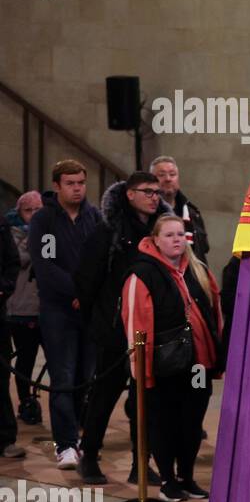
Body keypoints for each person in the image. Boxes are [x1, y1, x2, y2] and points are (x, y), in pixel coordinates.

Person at [74, 172, 169, 485]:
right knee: (104, 395)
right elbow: (88, 279)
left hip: (148, 329)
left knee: (144, 399)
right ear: (129, 194)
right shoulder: (110, 231)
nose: (154, 197)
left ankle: (140, 462)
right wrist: (99, 322)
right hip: (115, 329)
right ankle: (89, 454)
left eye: (157, 192)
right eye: (147, 191)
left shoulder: (160, 230)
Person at [120, 214, 222, 502]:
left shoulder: (198, 269)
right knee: (164, 422)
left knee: (192, 423)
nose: (176, 239)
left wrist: (215, 359)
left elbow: (215, 315)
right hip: (165, 364)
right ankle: (167, 480)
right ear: (155, 240)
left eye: (180, 234)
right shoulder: (142, 273)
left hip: (199, 365)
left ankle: (187, 477)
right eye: (169, 235)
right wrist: (143, 370)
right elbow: (136, 323)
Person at [28, 160, 103, 470]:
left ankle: (84, 438)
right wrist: (76, 293)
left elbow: (101, 259)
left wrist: (87, 296)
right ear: (57, 185)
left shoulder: (94, 216)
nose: (77, 188)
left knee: (88, 378)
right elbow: (45, 267)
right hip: (58, 310)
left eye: (81, 183)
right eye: (71, 183)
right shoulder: (44, 220)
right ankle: (66, 444)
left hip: (88, 310)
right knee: (63, 377)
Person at [7, 191, 43, 428]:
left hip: (46, 307)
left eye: (38, 210)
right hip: (21, 307)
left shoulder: (48, 233)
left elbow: (50, 258)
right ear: (19, 213)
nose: (34, 215)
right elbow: (22, 258)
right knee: (26, 359)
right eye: (29, 211)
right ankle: (25, 400)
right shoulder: (11, 233)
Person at [150, 156, 209, 263]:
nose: (168, 179)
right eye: (161, 175)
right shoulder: (148, 212)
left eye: (172, 174)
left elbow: (202, 251)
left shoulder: (192, 213)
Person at [0, 213, 20, 458]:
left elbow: (12, 262)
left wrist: (3, 290)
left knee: (1, 379)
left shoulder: (2, 225)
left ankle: (5, 438)